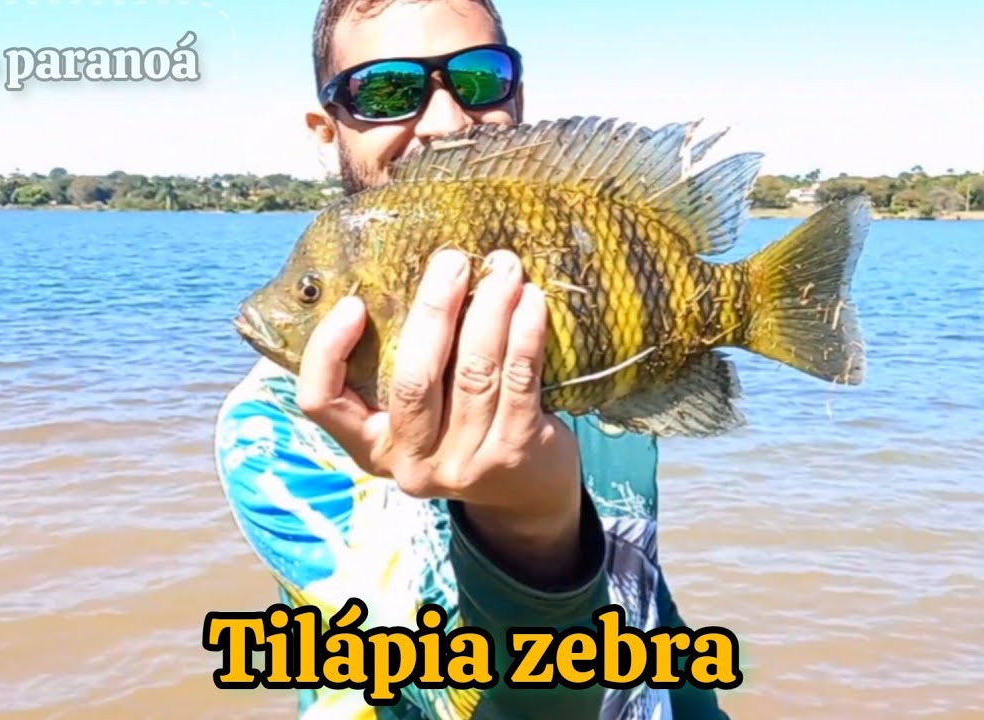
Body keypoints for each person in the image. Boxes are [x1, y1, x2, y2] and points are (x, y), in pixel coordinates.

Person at [213, 1, 733, 717]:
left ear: (517, 99)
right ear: (326, 129)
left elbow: (649, 611)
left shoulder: (592, 356)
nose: (447, 122)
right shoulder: (271, 436)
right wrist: (529, 530)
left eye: (481, 78)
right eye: (387, 89)